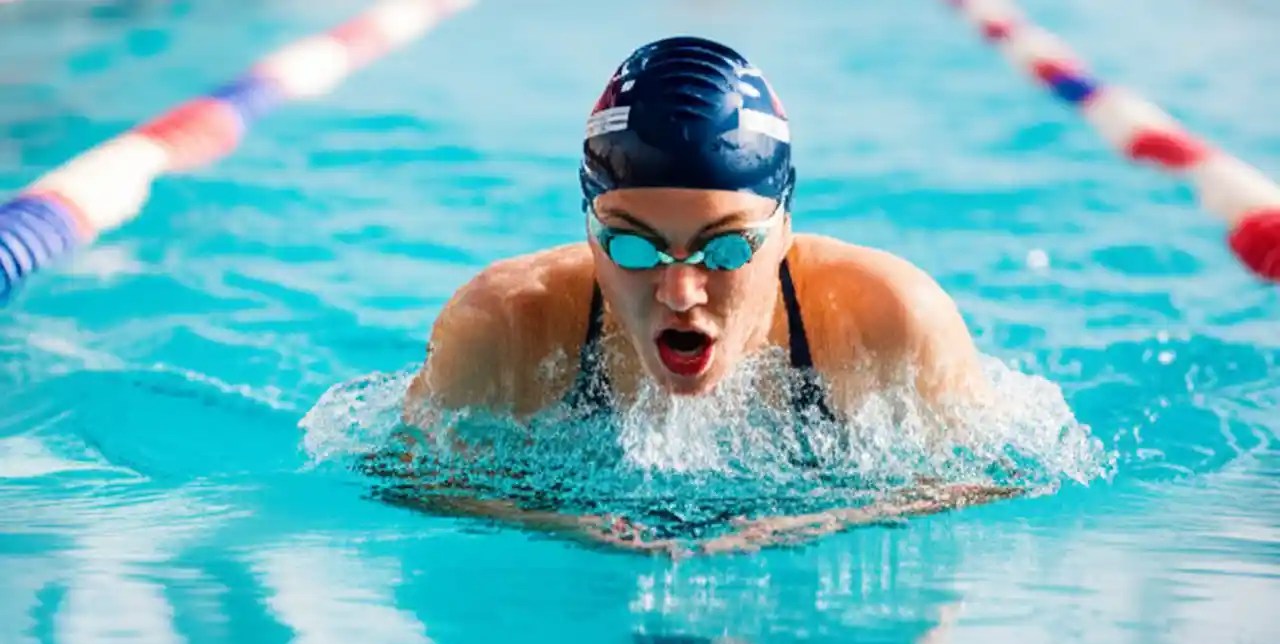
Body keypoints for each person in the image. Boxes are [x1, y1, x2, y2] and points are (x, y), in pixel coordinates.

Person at [393, 35, 1013, 553]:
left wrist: (813, 525)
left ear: (784, 227)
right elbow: (409, 480)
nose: (681, 292)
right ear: (589, 229)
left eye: (726, 249)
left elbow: (996, 481)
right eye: (633, 247)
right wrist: (568, 528)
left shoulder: (892, 322)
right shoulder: (500, 328)